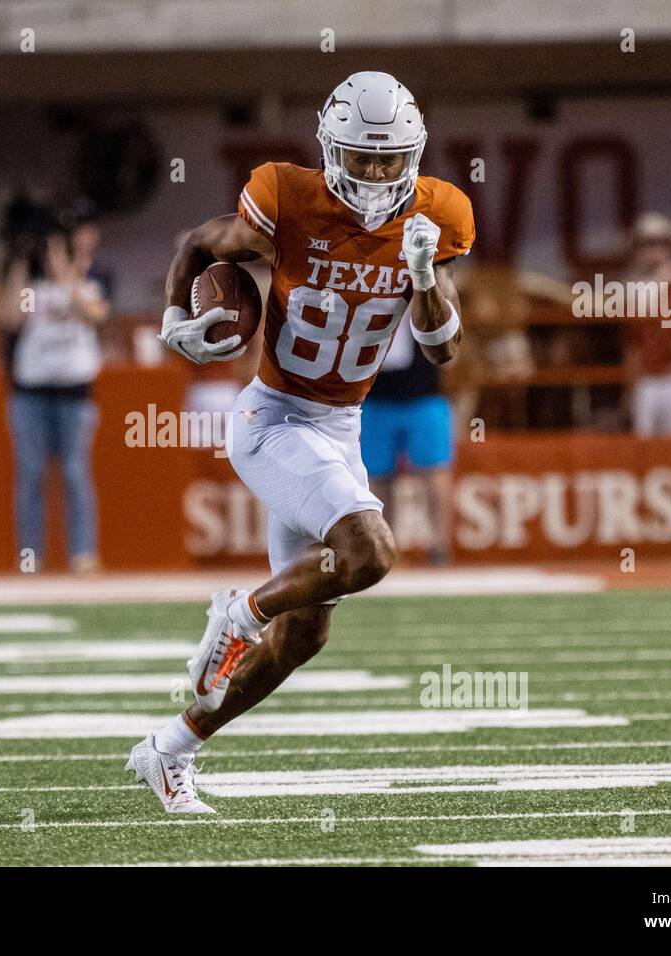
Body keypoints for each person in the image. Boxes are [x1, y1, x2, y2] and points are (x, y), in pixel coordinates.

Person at [140, 71, 472, 813]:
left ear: (414, 154)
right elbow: (201, 242)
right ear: (330, 149)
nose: (379, 173)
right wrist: (173, 321)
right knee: (372, 551)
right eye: (363, 158)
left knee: (306, 639)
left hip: (341, 430)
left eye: (391, 159)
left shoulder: (439, 214)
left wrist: (423, 276)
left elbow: (444, 351)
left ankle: (170, 749)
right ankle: (239, 614)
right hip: (275, 419)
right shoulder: (287, 195)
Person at [1, 230, 109, 573]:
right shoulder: (34, 291)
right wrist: (20, 262)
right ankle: (30, 557)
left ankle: (83, 554)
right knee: (30, 474)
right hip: (31, 394)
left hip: (74, 394)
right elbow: (8, 318)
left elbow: (93, 314)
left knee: (76, 474)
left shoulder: (88, 287)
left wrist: (65, 271)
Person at [360, 320, 456, 564]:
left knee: (435, 474)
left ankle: (440, 549)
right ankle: (383, 550)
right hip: (374, 397)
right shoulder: (365, 287)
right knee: (376, 479)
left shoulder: (422, 286)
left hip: (425, 393)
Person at [623, 212, 671, 437]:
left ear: (669, 246)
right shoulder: (631, 289)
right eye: (645, 244)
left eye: (657, 243)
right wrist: (630, 385)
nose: (651, 251)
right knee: (646, 447)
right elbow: (632, 343)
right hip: (647, 382)